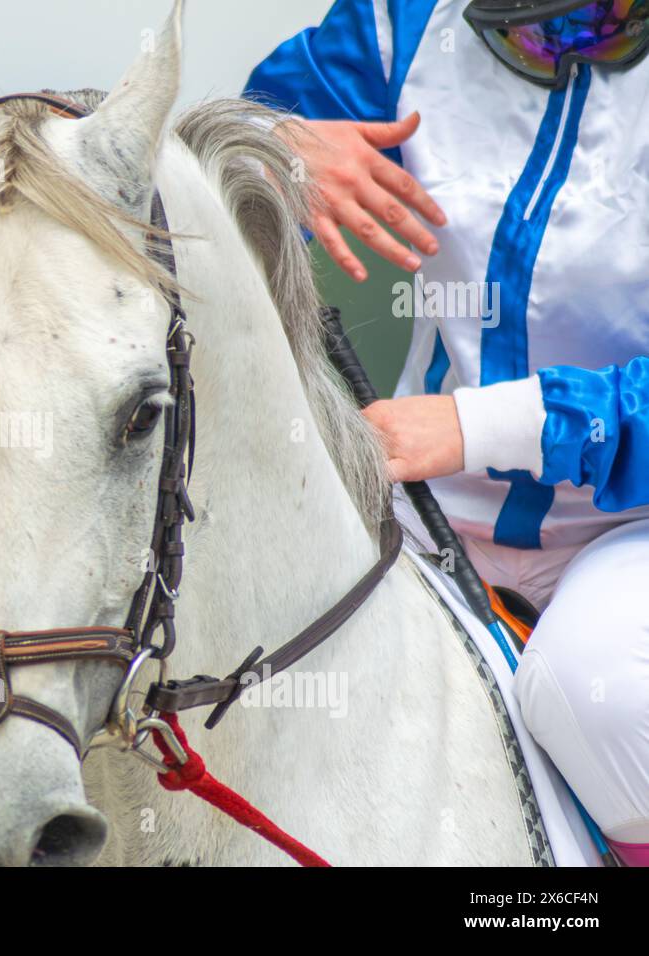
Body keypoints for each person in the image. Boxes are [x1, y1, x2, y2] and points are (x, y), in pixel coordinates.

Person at [244, 0, 649, 865]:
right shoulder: (401, 24)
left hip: (630, 529)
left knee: (592, 691)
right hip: (422, 502)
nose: (564, 51)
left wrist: (478, 427)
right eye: (529, 36)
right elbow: (227, 148)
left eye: (602, 24)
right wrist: (277, 140)